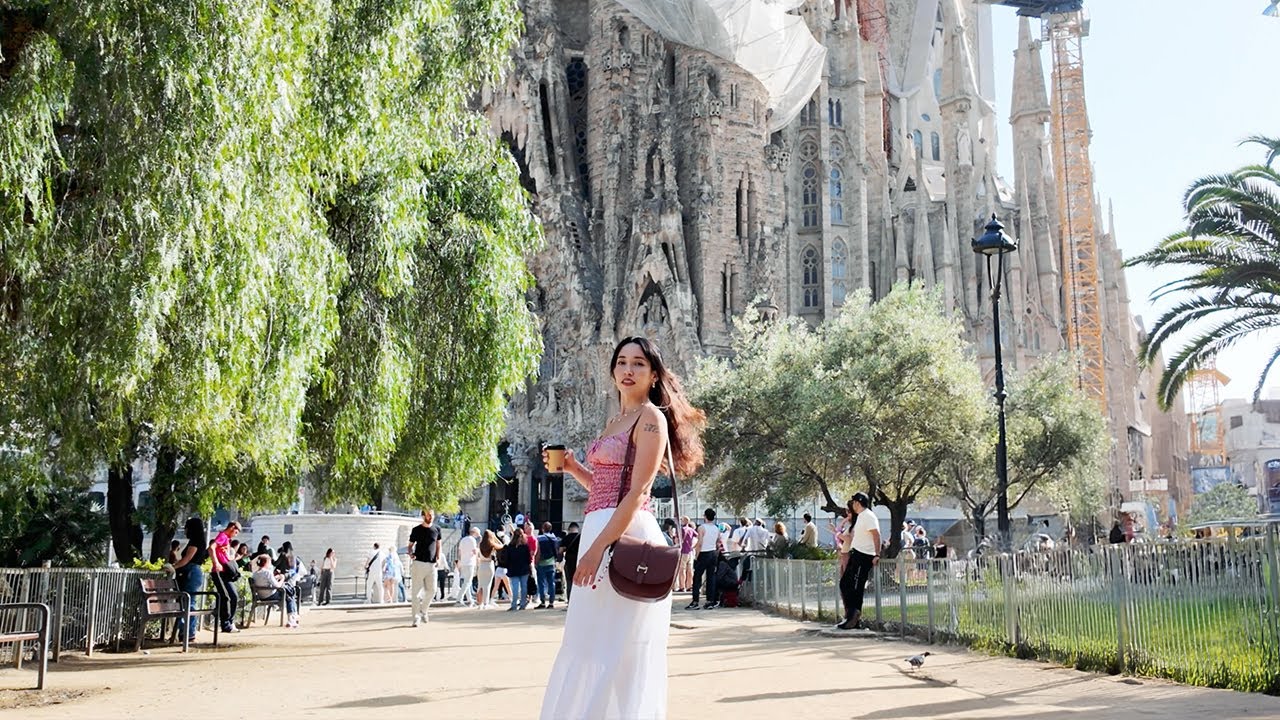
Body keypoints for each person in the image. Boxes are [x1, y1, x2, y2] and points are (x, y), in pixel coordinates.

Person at [541, 336, 706, 720]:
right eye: (621, 362)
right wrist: (571, 467)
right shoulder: (615, 419)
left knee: (620, 648)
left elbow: (637, 493)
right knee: (588, 639)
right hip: (602, 526)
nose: (628, 370)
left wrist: (597, 547)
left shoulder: (651, 419)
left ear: (653, 375)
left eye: (638, 364)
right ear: (613, 370)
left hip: (625, 534)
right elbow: (604, 487)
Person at [837, 493, 881, 630]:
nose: (853, 505)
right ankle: (851, 615)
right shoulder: (861, 517)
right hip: (856, 554)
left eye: (854, 502)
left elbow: (876, 534)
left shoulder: (868, 516)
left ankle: (854, 618)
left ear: (858, 502)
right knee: (845, 584)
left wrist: (877, 554)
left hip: (864, 556)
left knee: (856, 587)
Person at [171, 517, 208, 640]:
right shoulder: (200, 541)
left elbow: (187, 559)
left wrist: (173, 567)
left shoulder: (195, 542)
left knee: (189, 602)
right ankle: (186, 631)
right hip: (194, 572)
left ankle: (188, 632)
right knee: (189, 601)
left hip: (190, 573)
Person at [208, 521, 242, 633]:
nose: (235, 534)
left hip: (225, 571)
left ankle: (229, 622)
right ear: (232, 528)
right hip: (219, 571)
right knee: (226, 596)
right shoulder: (222, 536)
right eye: (236, 532)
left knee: (233, 596)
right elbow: (211, 548)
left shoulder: (226, 539)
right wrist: (216, 563)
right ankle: (226, 623)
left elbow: (226, 555)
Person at [408, 509, 441, 627]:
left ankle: (424, 610)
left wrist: (438, 557)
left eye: (432, 515)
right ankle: (416, 618)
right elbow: (410, 545)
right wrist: (410, 553)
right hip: (418, 563)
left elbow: (438, 544)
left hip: (432, 564)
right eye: (428, 515)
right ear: (423, 516)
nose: (430, 517)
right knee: (416, 593)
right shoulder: (416, 530)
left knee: (432, 590)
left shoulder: (437, 529)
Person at [251, 554, 299, 627]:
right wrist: (282, 578)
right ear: (266, 562)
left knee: (287, 591)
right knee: (288, 595)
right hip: (270, 595)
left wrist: (276, 578)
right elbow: (277, 586)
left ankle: (293, 616)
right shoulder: (268, 572)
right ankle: (292, 618)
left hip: (261, 595)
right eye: (270, 562)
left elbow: (265, 581)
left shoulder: (255, 574)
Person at [688, 507, 722, 611]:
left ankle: (695, 601)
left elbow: (700, 543)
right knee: (711, 578)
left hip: (703, 553)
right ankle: (710, 601)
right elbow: (718, 542)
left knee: (697, 578)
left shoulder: (702, 528)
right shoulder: (717, 528)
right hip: (712, 553)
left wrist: (696, 555)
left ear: (705, 516)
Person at [504, 526, 533, 611]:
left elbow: (507, 559)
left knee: (515, 588)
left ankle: (514, 605)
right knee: (524, 587)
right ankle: (523, 604)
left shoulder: (510, 546)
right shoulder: (525, 546)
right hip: (524, 569)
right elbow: (529, 559)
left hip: (513, 569)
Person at [535, 522, 561, 609]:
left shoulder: (539, 538)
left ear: (543, 529)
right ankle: (551, 602)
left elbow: (538, 551)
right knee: (551, 583)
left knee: (541, 583)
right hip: (551, 562)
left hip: (542, 563)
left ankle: (542, 601)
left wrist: (536, 562)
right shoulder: (554, 538)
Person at [455, 527, 481, 606]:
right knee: (468, 582)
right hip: (470, 563)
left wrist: (460, 561)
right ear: (475, 533)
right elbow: (475, 552)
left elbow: (459, 552)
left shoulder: (463, 540)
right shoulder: (472, 540)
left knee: (466, 582)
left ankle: (470, 600)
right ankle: (459, 599)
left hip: (463, 562)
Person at [477, 530, 502, 608]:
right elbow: (502, 545)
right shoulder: (492, 544)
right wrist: (495, 538)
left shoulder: (480, 544)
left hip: (481, 564)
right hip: (489, 564)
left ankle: (480, 603)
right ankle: (486, 603)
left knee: (480, 584)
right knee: (487, 585)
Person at [560, 522, 581, 602]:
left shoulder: (566, 538)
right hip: (578, 561)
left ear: (569, 529)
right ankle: (578, 600)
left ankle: (570, 601)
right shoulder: (581, 537)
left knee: (569, 581)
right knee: (579, 580)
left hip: (569, 562)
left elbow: (560, 550)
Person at [676, 516, 696, 592]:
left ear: (684, 521)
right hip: (690, 552)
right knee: (690, 570)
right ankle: (689, 586)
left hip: (683, 552)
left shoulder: (681, 530)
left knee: (682, 570)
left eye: (681, 520)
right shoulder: (691, 530)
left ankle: (682, 586)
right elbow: (697, 537)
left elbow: (677, 540)